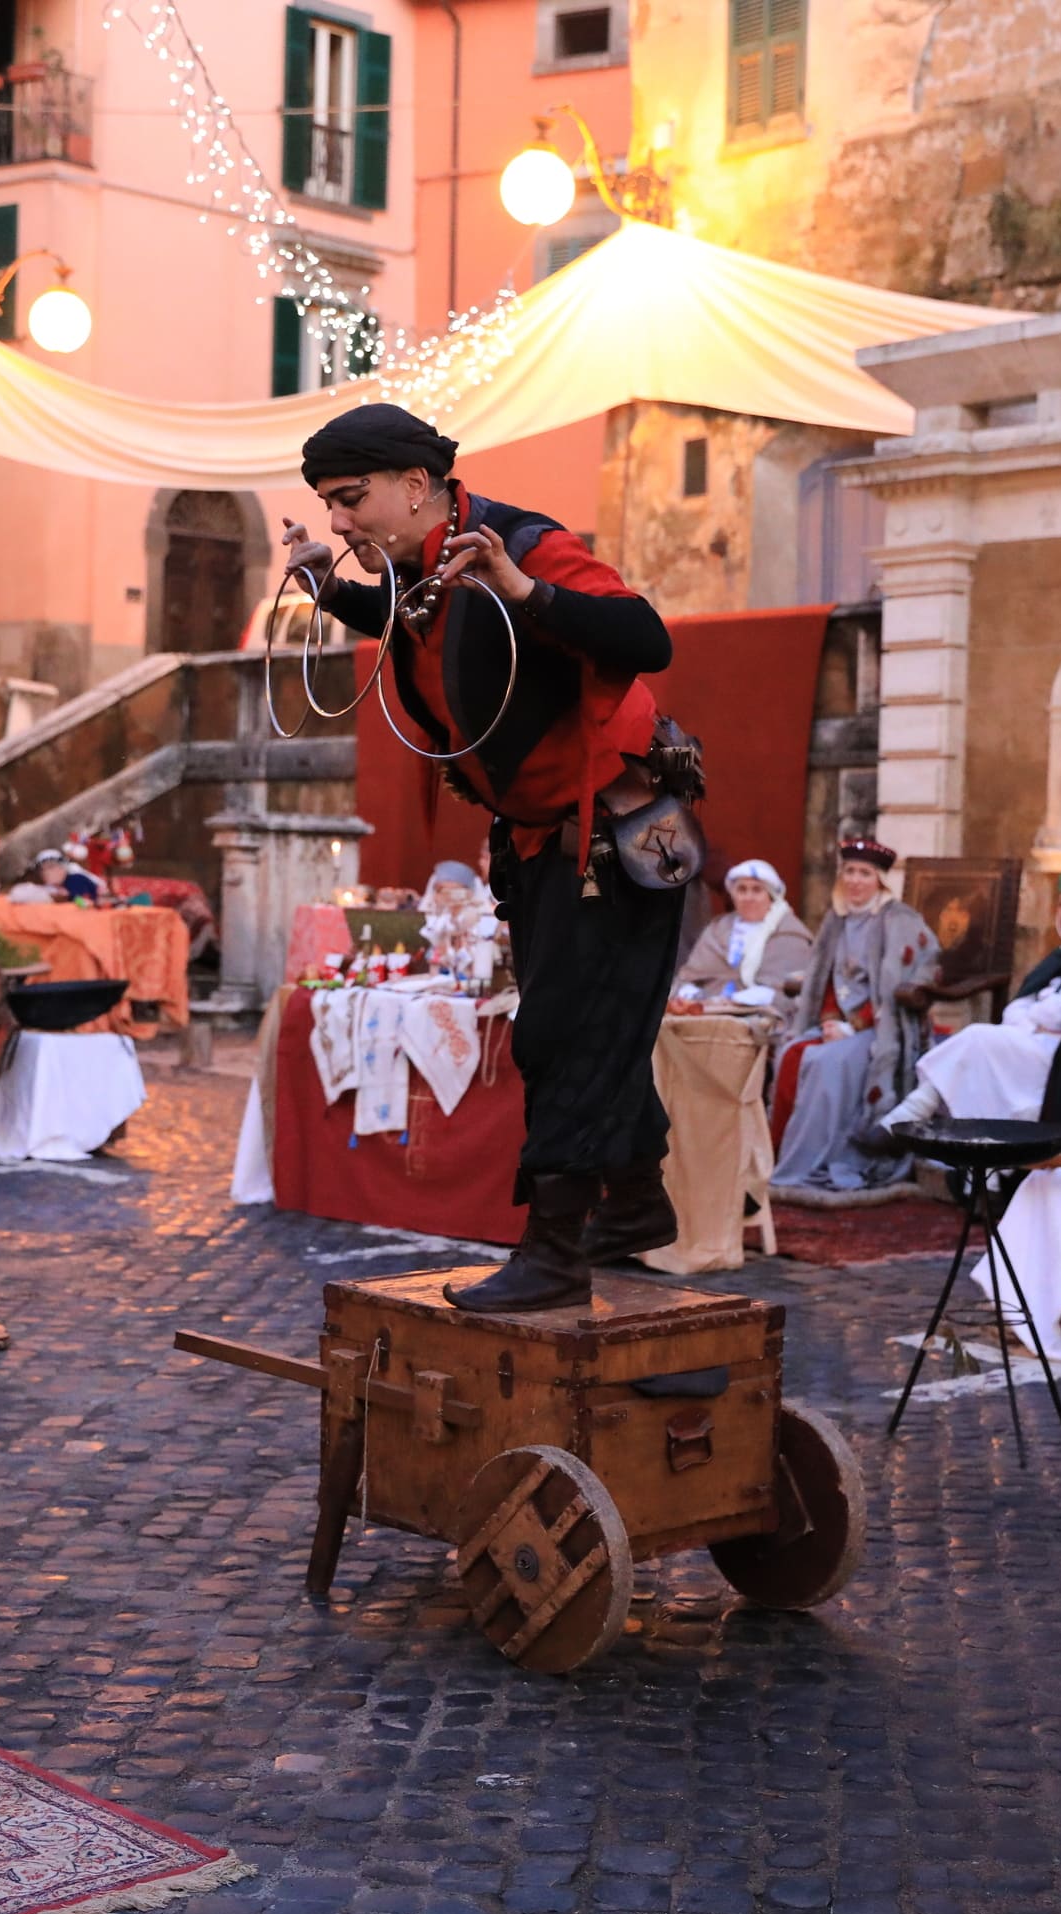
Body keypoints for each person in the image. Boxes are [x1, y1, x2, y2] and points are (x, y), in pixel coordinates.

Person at [285, 402, 687, 1309]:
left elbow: (646, 637)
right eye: (328, 505)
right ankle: (636, 1205)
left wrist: (526, 590)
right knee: (585, 1023)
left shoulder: (521, 544)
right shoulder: (422, 567)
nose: (338, 521)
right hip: (541, 837)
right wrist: (331, 588)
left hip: (614, 836)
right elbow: (420, 624)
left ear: (418, 486)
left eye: (350, 500)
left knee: (561, 1036)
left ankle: (553, 1255)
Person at [873, 864, 1061, 1151]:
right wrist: (1037, 1023)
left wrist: (1035, 1019)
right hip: (1030, 1044)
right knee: (981, 1049)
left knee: (977, 1038)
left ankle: (910, 1115)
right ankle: (930, 1125)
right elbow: (1016, 1010)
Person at [769, 837, 940, 1191]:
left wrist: (852, 1027)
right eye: (849, 871)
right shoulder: (837, 919)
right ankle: (778, 1156)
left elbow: (903, 983)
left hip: (882, 1029)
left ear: (879, 879)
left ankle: (823, 1159)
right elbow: (828, 980)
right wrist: (831, 1020)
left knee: (826, 1062)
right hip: (837, 1023)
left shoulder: (899, 921)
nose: (855, 880)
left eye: (864, 873)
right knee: (791, 1052)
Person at [671, 859, 814, 1015]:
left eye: (757, 890)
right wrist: (689, 992)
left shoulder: (789, 932)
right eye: (742, 889)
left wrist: (758, 996)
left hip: (762, 1016)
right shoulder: (717, 929)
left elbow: (795, 991)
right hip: (706, 1009)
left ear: (771, 895)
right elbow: (689, 976)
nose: (748, 897)